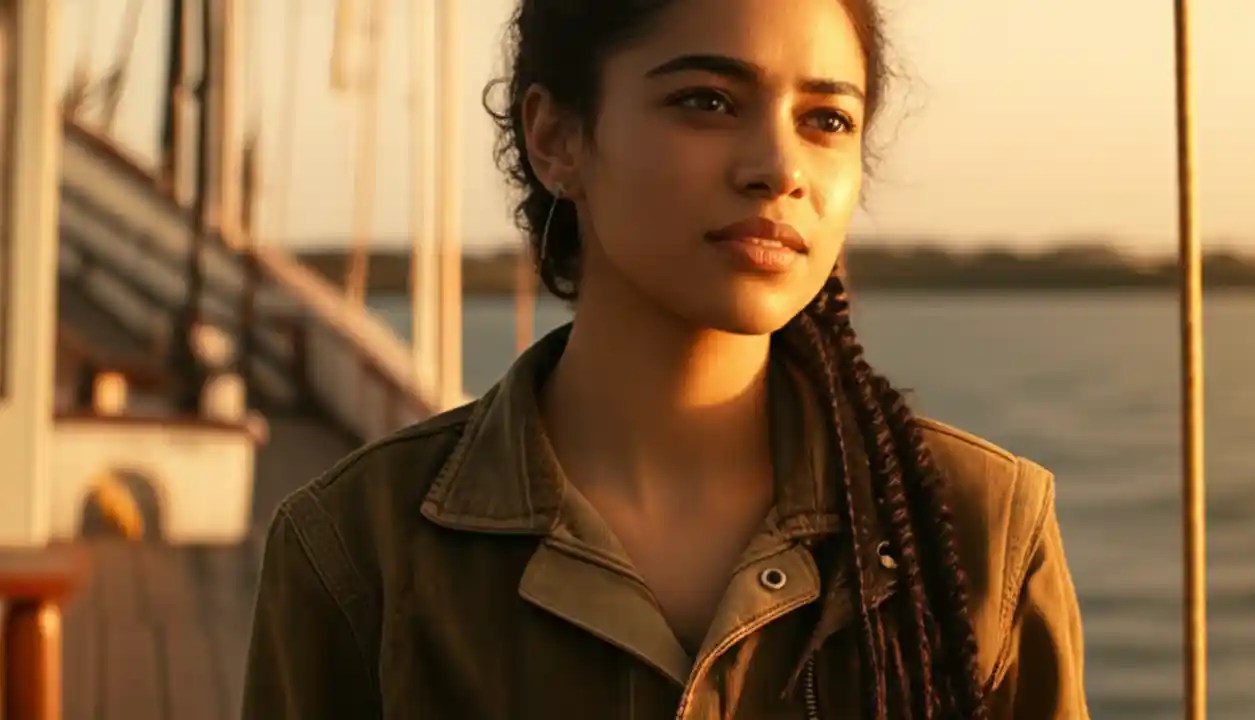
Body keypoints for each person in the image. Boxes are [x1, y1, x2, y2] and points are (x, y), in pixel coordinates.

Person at [242, 0, 1088, 717]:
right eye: (708, 101)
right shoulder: (359, 552)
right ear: (557, 138)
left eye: (826, 120)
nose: (779, 168)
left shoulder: (982, 536)